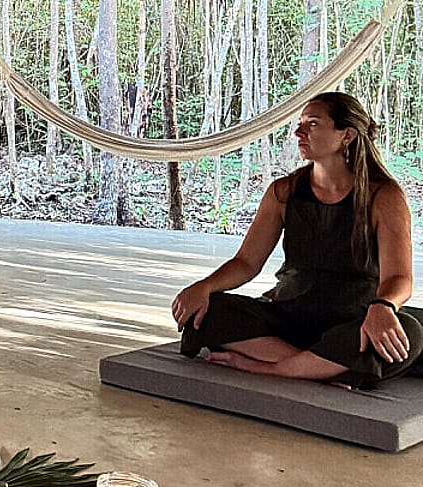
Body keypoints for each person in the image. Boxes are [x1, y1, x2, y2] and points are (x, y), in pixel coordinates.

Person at [172, 91, 422, 389]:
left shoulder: (384, 197)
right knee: (207, 313)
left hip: (352, 320)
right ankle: (326, 368)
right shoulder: (284, 191)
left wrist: (383, 307)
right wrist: (205, 286)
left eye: (312, 124)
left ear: (347, 135)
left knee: (411, 332)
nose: (298, 132)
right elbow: (247, 262)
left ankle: (274, 368)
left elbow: (399, 278)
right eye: (300, 123)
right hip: (289, 314)